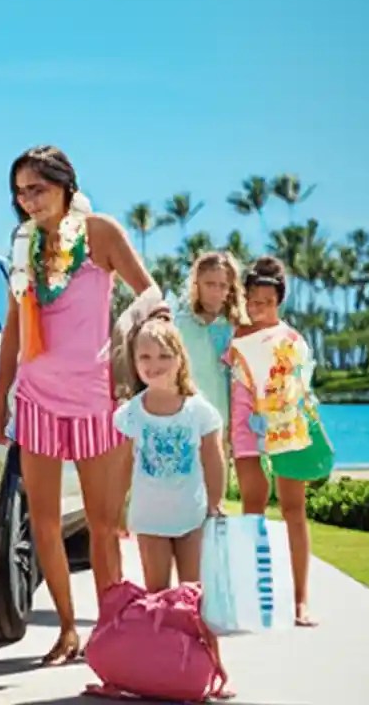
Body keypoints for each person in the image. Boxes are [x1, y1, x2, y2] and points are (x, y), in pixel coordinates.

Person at [0, 145, 165, 666]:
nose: (28, 201)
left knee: (103, 525)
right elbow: (13, 329)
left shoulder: (100, 232)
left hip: (96, 398)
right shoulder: (23, 245)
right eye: (20, 193)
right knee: (44, 522)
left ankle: (110, 629)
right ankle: (67, 630)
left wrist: (137, 346)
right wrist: (1, 399)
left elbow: (151, 293)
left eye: (37, 189)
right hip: (36, 398)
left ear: (66, 185)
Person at [226, 256, 332, 627]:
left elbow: (302, 394)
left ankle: (301, 601)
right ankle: (252, 599)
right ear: (245, 299)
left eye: (267, 303)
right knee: (252, 510)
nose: (259, 309)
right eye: (254, 301)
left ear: (279, 302)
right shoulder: (235, 337)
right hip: (245, 431)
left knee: (293, 510)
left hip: (286, 431)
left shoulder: (292, 341)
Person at [113, 311, 228, 591]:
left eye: (164, 356)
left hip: (193, 517)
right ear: (134, 362)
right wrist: (118, 509)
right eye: (145, 357)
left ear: (180, 359)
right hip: (149, 519)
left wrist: (215, 504)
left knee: (195, 594)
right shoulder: (130, 414)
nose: (154, 365)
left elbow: (214, 460)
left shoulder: (199, 411)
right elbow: (122, 466)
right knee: (158, 596)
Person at [175, 251, 248, 430]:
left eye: (222, 286)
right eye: (209, 284)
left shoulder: (237, 328)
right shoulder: (180, 324)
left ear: (230, 289)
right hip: (188, 419)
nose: (216, 292)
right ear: (196, 284)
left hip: (227, 422)